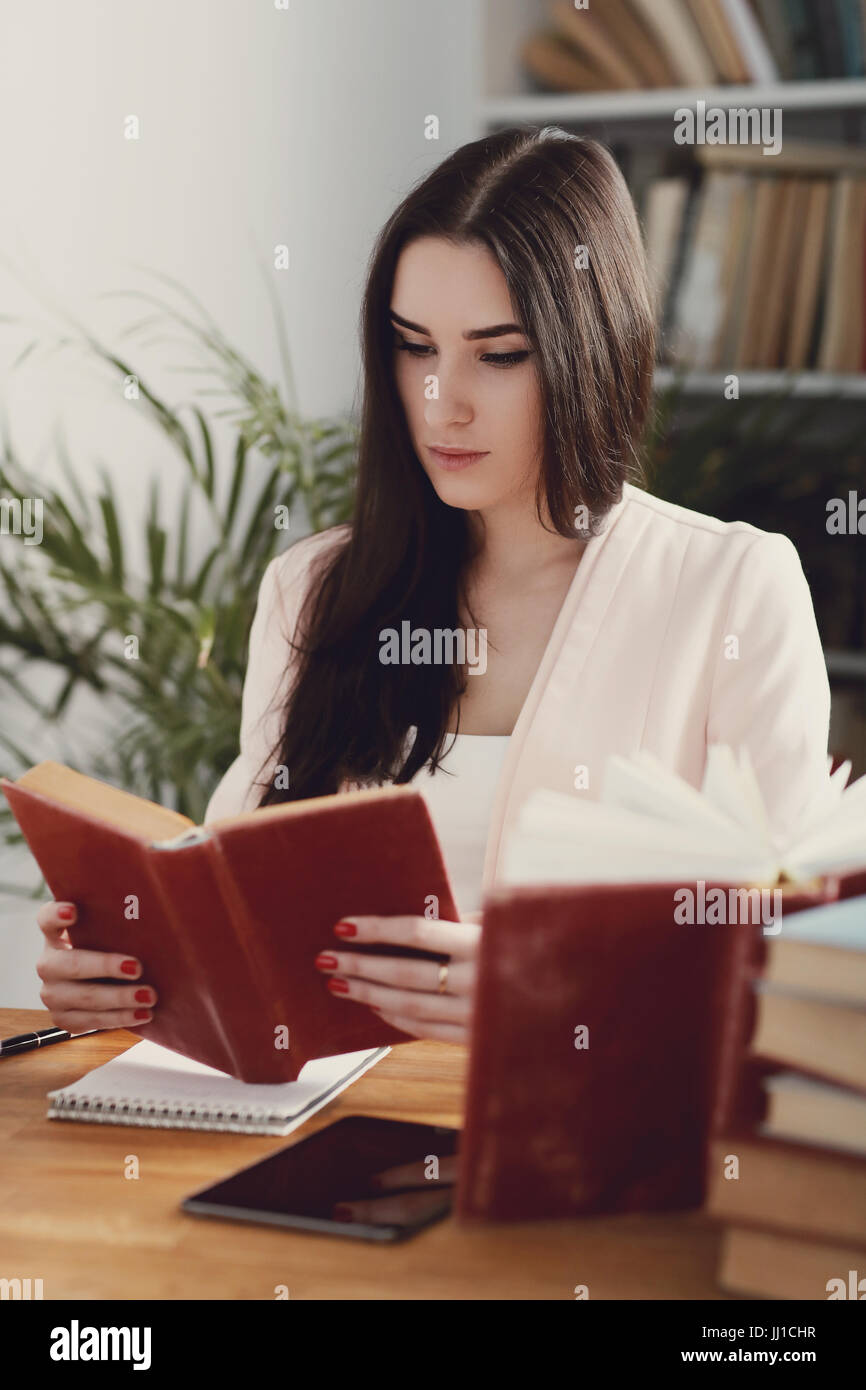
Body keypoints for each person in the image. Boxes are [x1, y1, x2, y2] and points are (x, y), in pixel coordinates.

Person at [36, 126, 831, 1051]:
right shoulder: (315, 589)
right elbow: (234, 905)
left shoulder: (731, 589)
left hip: (576, 1153)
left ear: (593, 351)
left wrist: (546, 995)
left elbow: (796, 972)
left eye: (498, 355)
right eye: (414, 347)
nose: (441, 400)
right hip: (321, 1137)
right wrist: (134, 969)